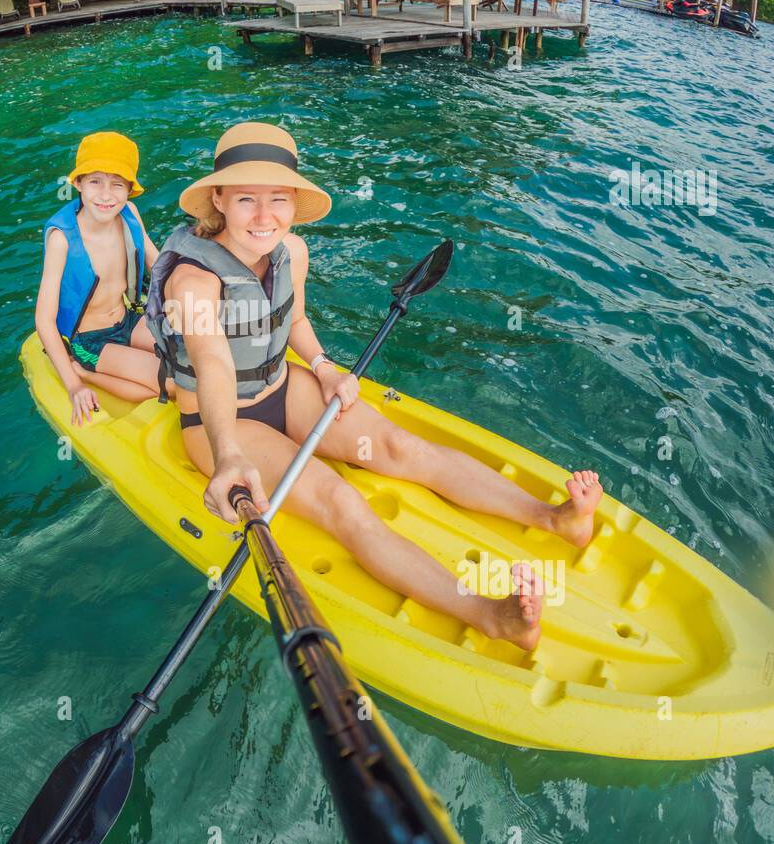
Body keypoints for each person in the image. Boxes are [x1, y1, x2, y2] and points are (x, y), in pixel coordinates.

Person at [144, 121, 604, 651]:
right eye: (246, 198)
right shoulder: (192, 281)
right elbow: (213, 365)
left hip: (282, 384)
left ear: (295, 202)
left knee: (400, 447)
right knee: (341, 501)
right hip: (220, 422)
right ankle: (488, 615)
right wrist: (228, 454)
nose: (264, 215)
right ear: (219, 199)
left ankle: (554, 518)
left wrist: (322, 366)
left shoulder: (291, 250)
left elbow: (291, 323)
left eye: (278, 198)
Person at [36, 132, 165, 425]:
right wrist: (73, 385)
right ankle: (85, 371)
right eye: (95, 182)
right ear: (78, 183)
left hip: (131, 317)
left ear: (129, 190)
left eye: (117, 185)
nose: (106, 195)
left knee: (194, 362)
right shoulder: (62, 240)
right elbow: (44, 320)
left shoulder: (129, 213)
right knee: (172, 383)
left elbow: (159, 265)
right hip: (92, 340)